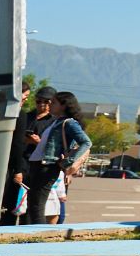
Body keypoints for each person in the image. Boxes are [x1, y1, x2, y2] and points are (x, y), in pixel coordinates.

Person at [25, 91, 91, 225]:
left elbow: (86, 142)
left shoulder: (69, 123)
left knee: (37, 206)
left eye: (53, 102)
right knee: (33, 204)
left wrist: (68, 161)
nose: (50, 105)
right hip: (38, 164)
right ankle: (35, 236)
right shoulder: (56, 121)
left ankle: (38, 239)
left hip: (47, 167)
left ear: (64, 105)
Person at [0, 80, 31, 226]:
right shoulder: (19, 114)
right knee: (8, 204)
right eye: (24, 97)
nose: (25, 100)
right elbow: (18, 144)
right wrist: (18, 170)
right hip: (8, 167)